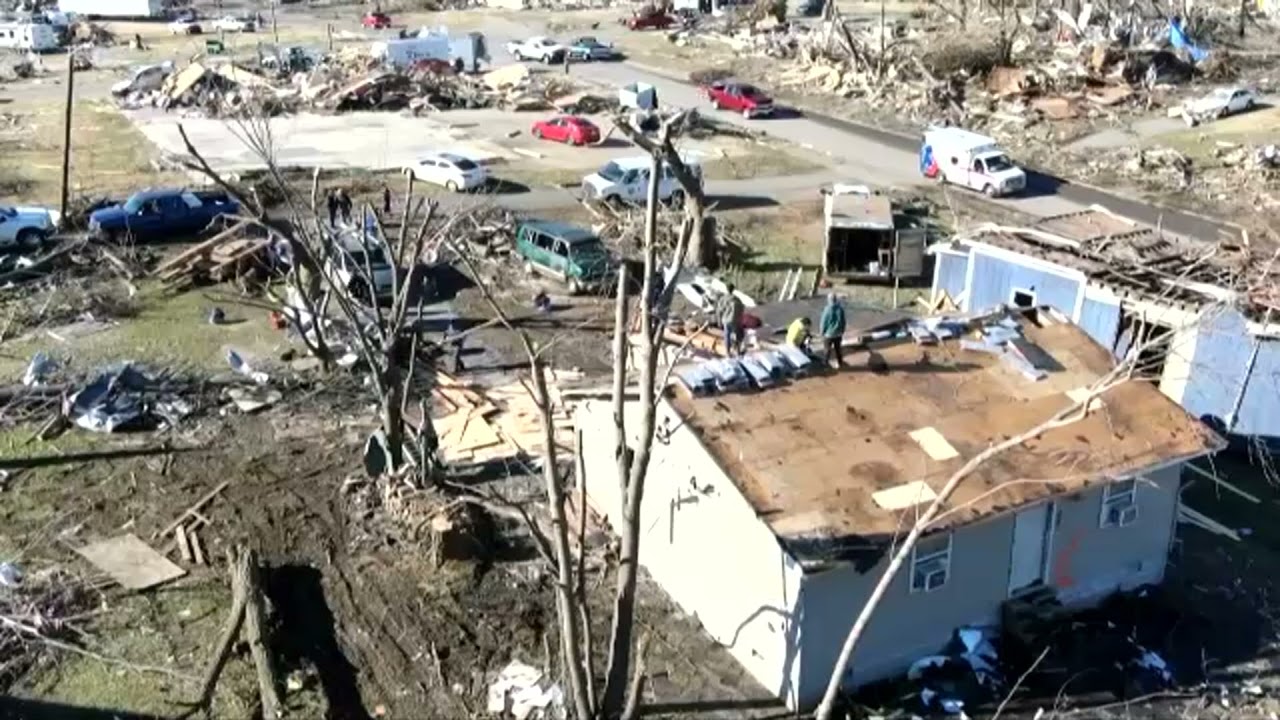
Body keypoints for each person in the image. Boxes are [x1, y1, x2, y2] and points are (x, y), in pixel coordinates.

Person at [715, 284, 745, 357]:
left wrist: (719, 321)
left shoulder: (723, 299)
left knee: (727, 335)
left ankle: (728, 352)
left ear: (726, 289)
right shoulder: (737, 299)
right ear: (733, 289)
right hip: (735, 320)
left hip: (726, 319)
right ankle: (737, 350)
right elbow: (742, 309)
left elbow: (719, 311)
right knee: (736, 335)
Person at [819, 293, 846, 368]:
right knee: (838, 349)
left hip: (829, 334)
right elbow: (843, 321)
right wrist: (842, 330)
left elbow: (824, 322)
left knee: (827, 349)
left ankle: (825, 363)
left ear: (829, 300)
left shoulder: (827, 309)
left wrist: (822, 332)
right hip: (838, 333)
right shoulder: (840, 309)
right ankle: (840, 363)